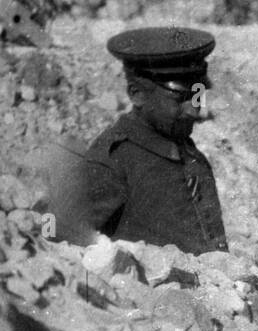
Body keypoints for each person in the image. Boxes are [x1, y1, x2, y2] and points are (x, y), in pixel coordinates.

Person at [48, 26, 227, 254]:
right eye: (181, 98)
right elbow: (52, 228)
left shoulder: (188, 152)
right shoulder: (115, 160)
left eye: (198, 96)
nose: (195, 110)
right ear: (137, 94)